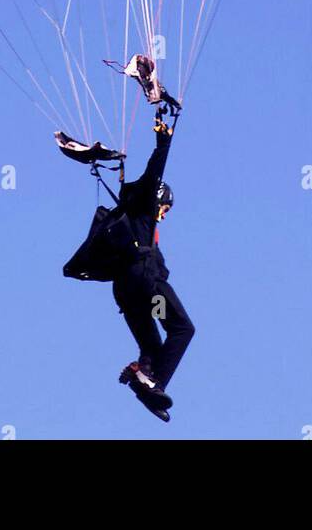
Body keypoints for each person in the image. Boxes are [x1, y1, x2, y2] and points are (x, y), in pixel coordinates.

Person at [113, 92, 195, 415]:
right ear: (158, 200)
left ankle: (142, 377)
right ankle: (153, 382)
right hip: (148, 287)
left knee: (152, 346)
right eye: (165, 207)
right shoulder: (145, 206)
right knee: (182, 329)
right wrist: (163, 141)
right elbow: (153, 174)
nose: (165, 213)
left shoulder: (128, 211)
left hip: (126, 294)